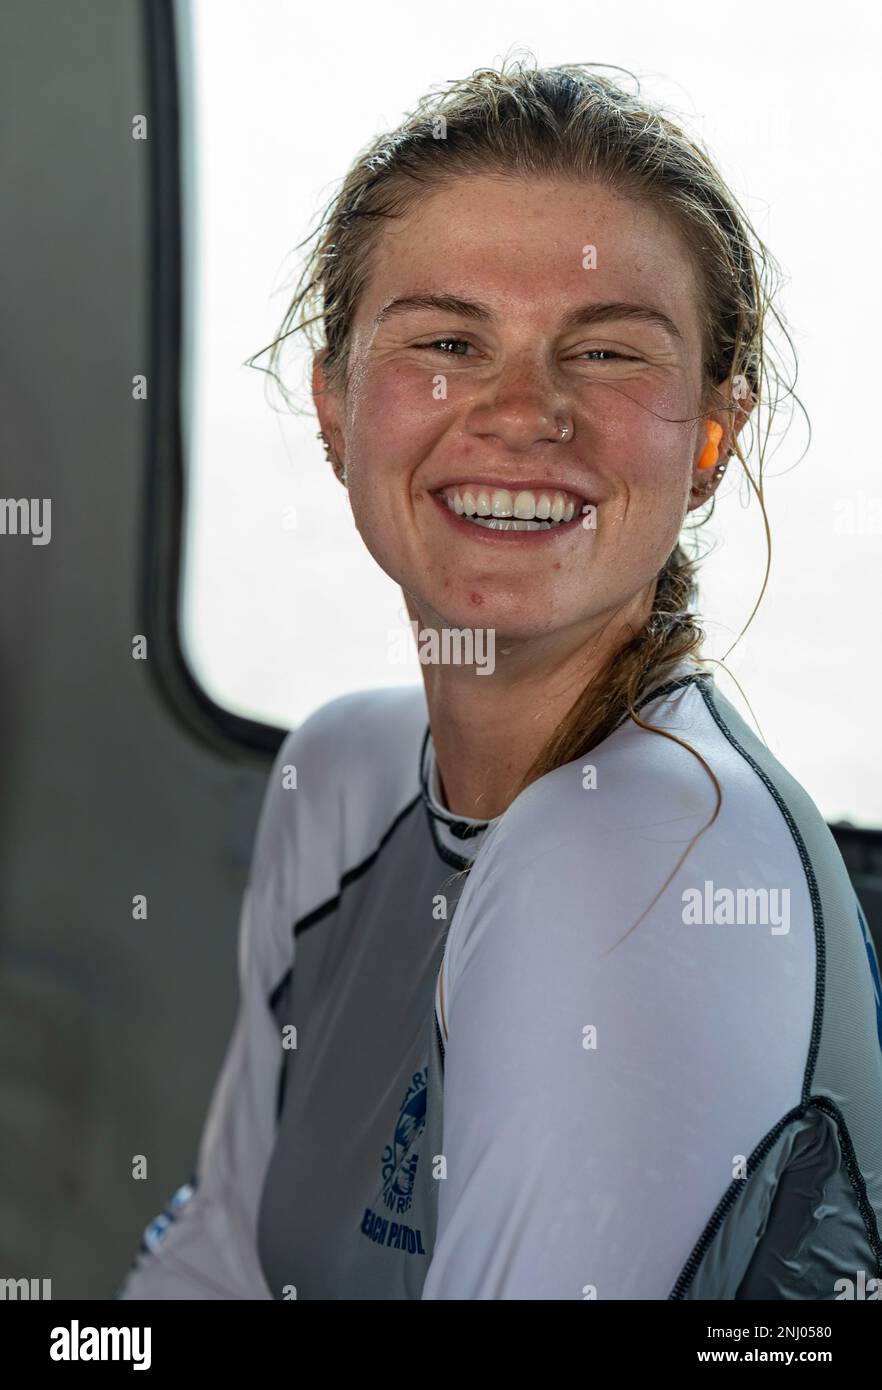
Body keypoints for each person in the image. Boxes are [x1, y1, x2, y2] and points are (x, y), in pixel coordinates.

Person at [117, 61, 882, 1300]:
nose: (524, 412)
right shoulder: (346, 779)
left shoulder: (638, 853)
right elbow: (220, 1259)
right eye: (448, 340)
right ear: (334, 405)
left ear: (709, 439)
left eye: (607, 352)